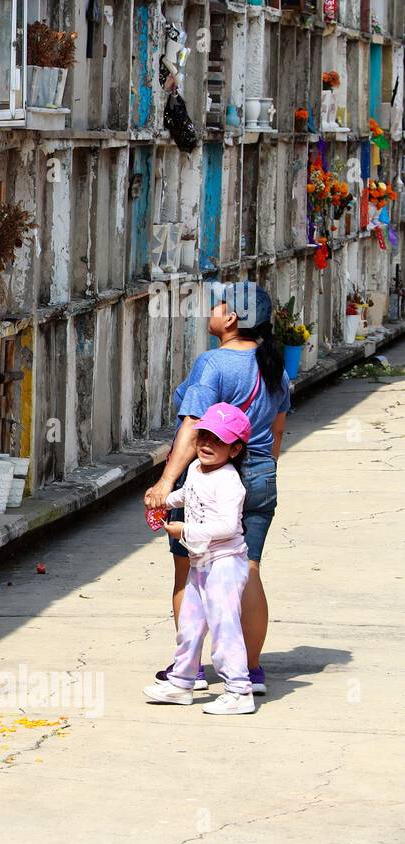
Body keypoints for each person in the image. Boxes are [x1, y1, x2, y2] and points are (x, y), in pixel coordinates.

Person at [145, 282, 290, 694]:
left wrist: (166, 482)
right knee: (249, 569)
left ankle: (186, 669)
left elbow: (191, 426)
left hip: (208, 480)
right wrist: (260, 471)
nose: (210, 311)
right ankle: (252, 670)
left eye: (217, 306)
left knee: (188, 571)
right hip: (260, 471)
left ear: (231, 319)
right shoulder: (274, 366)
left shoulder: (214, 364)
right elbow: (278, 429)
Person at [144, 404, 257, 715]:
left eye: (218, 441)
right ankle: (182, 682)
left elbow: (228, 526)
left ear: (235, 449)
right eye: (203, 436)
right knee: (190, 625)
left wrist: (185, 530)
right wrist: (164, 499)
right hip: (200, 564)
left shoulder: (229, 482)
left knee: (224, 627)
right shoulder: (195, 469)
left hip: (224, 564)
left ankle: (238, 690)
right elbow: (189, 494)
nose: (207, 444)